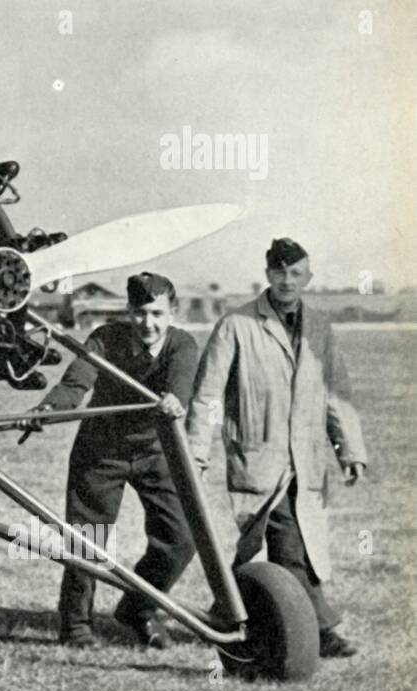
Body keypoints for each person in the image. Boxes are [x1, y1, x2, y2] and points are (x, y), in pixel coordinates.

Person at [185, 237, 366, 658]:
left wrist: (349, 449)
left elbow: (335, 392)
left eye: (297, 273)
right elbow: (208, 396)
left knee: (279, 543)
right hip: (259, 455)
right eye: (280, 272)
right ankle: (320, 632)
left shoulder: (320, 328)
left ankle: (225, 613)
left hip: (307, 458)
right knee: (287, 545)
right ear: (267, 275)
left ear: (308, 277)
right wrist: (195, 452)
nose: (288, 281)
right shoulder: (235, 325)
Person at [22, 272, 199, 648]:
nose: (147, 324)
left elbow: (180, 386)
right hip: (101, 450)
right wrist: (49, 408)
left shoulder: (183, 345)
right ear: (127, 311)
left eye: (156, 314)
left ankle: (138, 608)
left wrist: (174, 399)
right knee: (88, 540)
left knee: (181, 539)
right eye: (138, 313)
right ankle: (76, 627)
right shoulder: (105, 339)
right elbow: (76, 382)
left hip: (156, 452)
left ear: (173, 312)